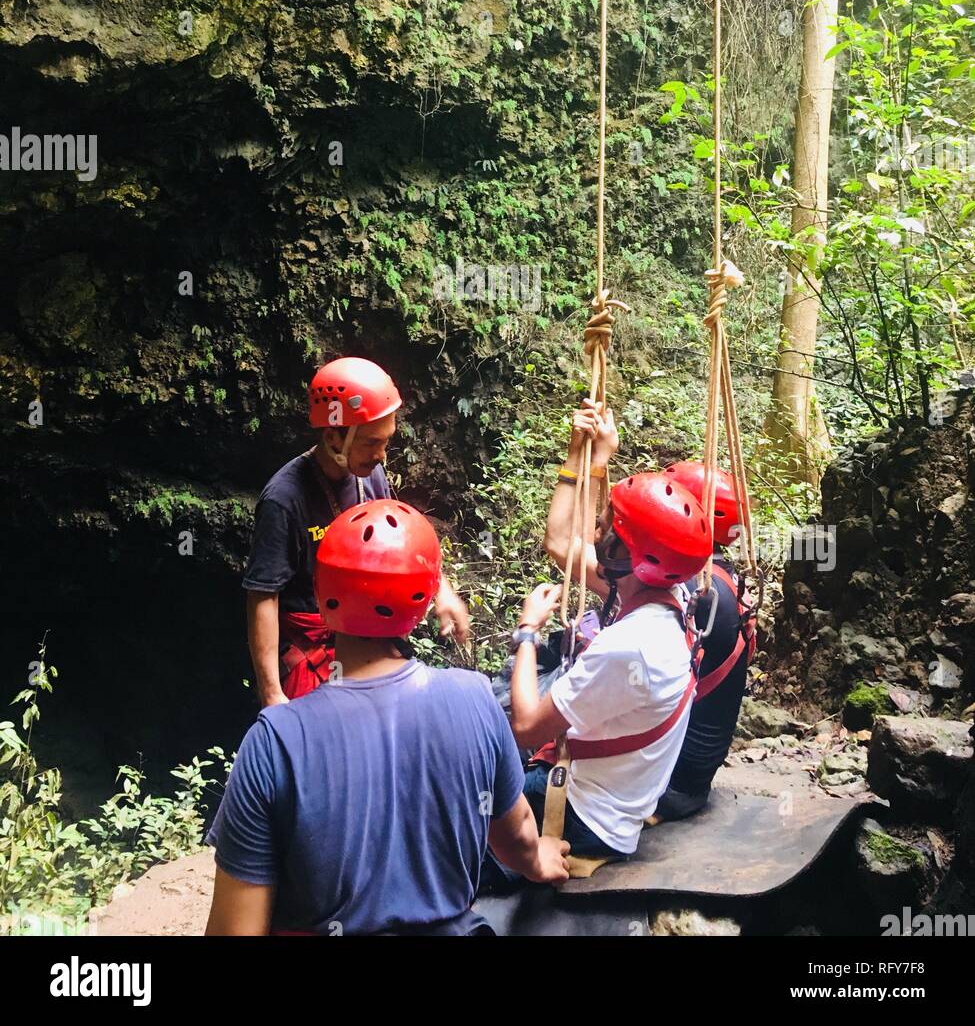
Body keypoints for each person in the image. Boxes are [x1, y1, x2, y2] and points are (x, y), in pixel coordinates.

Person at [206, 498, 569, 935]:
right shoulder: (474, 699)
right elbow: (516, 836)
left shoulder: (274, 743)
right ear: (421, 604)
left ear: (321, 602)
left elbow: (234, 931)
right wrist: (536, 859)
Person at [501, 450, 713, 870]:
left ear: (626, 552)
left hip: (583, 814)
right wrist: (588, 456)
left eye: (604, 524)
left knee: (459, 807)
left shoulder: (630, 645)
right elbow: (561, 543)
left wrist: (527, 633)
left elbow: (525, 727)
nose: (595, 528)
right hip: (615, 798)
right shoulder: (673, 598)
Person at [243, 356, 468, 705]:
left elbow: (400, 543)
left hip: (365, 633)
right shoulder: (284, 499)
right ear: (333, 437)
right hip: (311, 643)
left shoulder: (370, 475)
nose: (381, 455)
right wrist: (272, 692)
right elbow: (263, 595)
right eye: (370, 443)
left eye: (385, 442)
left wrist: (443, 592)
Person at [653, 460, 756, 821]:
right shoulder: (721, 580)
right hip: (691, 778)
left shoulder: (697, 590)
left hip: (669, 786)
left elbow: (565, 548)